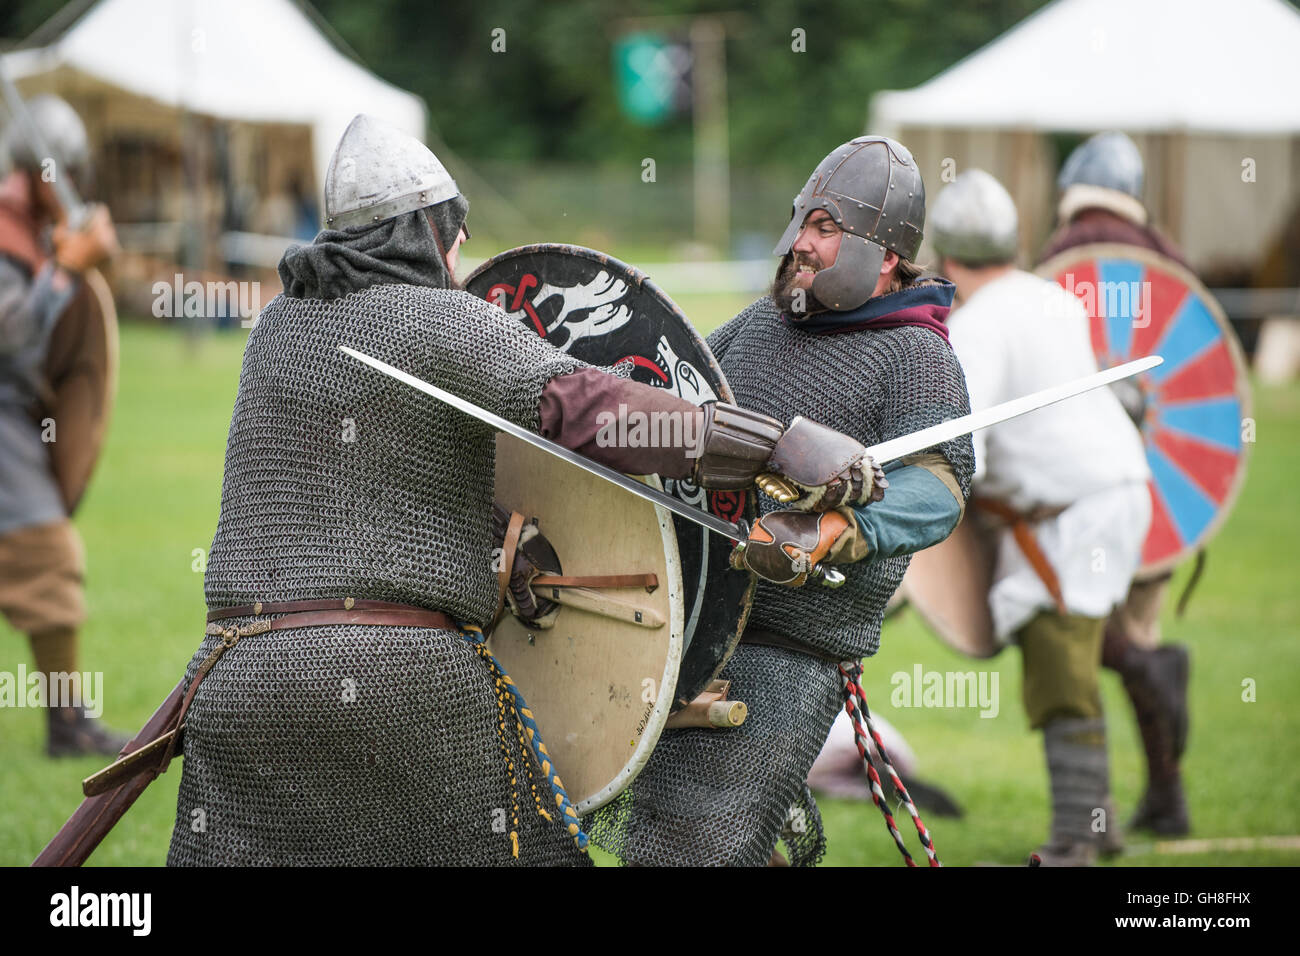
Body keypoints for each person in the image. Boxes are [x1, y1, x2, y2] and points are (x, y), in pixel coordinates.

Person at [165, 115, 871, 866]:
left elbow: (366, 483)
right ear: (426, 233)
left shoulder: (274, 331)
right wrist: (772, 445)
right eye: (454, 232)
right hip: (399, 683)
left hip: (234, 680)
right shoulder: (442, 321)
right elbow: (595, 413)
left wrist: (503, 531)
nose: (462, 252)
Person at [586, 136, 975, 866]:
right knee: (677, 842)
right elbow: (672, 397)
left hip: (785, 653)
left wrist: (832, 529)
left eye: (825, 228)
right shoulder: (761, 327)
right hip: (685, 631)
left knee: (697, 849)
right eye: (802, 220)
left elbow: (938, 490)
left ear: (885, 253)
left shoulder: (916, 354)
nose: (799, 242)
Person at [931, 168, 1152, 864]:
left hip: (1073, 514)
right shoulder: (1052, 298)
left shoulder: (977, 323)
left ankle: (1078, 841)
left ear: (944, 257)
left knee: (1062, 665)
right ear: (1013, 243)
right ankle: (1101, 822)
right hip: (1118, 490)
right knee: (1077, 652)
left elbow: (970, 446)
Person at [1040, 131, 1193, 836]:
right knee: (1138, 627)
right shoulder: (1165, 257)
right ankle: (1167, 794)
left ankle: (1090, 818)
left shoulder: (1058, 257)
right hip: (1156, 484)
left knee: (1073, 637)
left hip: (1078, 490)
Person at [0, 94, 123, 757]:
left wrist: (79, 256)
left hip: (15, 420)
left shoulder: (32, 230)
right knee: (48, 556)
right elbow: (7, 336)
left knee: (47, 561)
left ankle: (66, 721)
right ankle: (68, 725)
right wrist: (66, 270)